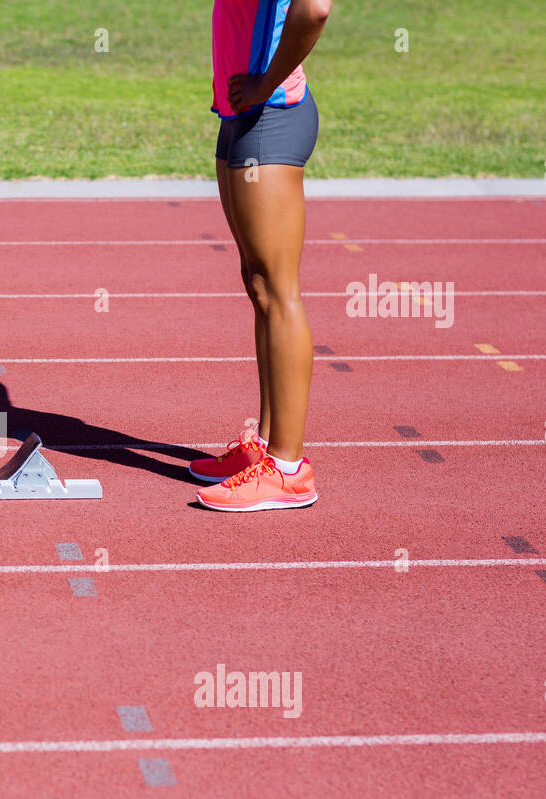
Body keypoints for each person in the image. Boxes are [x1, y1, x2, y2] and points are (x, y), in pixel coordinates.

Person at [192, 0, 332, 512]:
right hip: (241, 113)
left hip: (271, 113)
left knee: (278, 289)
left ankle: (290, 469)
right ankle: (266, 450)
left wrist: (266, 82)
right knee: (258, 283)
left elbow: (314, 9)